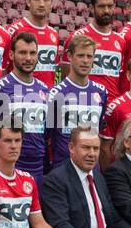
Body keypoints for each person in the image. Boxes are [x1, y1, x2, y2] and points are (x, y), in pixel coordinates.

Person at [0, 32, 50, 183]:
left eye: (32, 53)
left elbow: (46, 136)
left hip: (38, 172)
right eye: (22, 52)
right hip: (7, 172)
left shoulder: (45, 90)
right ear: (11, 55)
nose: (28, 58)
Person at [45, 33, 108, 169]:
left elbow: (99, 127)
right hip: (63, 168)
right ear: (69, 56)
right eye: (80, 55)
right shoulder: (56, 94)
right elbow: (48, 136)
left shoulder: (101, 92)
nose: (85, 60)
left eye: (89, 56)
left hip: (92, 169)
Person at [62, 0, 124, 100]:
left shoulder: (120, 41)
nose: (106, 10)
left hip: (112, 106)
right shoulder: (77, 37)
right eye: (101, 6)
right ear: (92, 8)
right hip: (85, 103)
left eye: (110, 6)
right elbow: (65, 75)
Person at [2, 0, 60, 87]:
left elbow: (54, 71)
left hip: (46, 96)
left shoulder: (54, 33)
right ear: (28, 2)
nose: (41, 4)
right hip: (19, 93)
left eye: (46, 0)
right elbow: (3, 68)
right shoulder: (13, 30)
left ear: (51, 4)